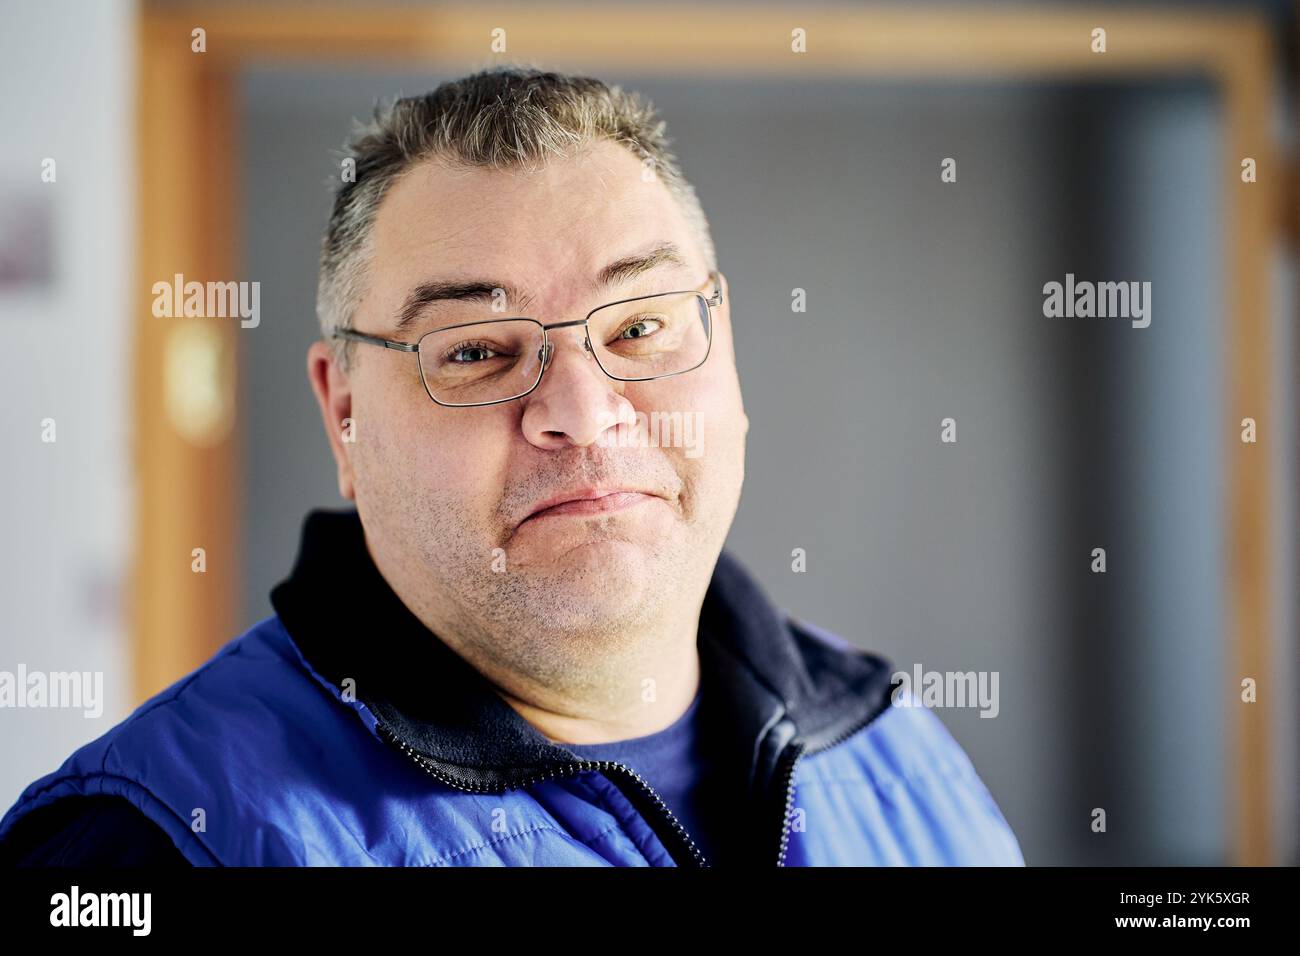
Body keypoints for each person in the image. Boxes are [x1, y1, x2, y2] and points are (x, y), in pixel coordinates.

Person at [0, 66, 1023, 867]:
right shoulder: (160, 838)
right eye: (478, 351)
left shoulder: (898, 750)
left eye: (639, 326)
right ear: (344, 411)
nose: (581, 412)